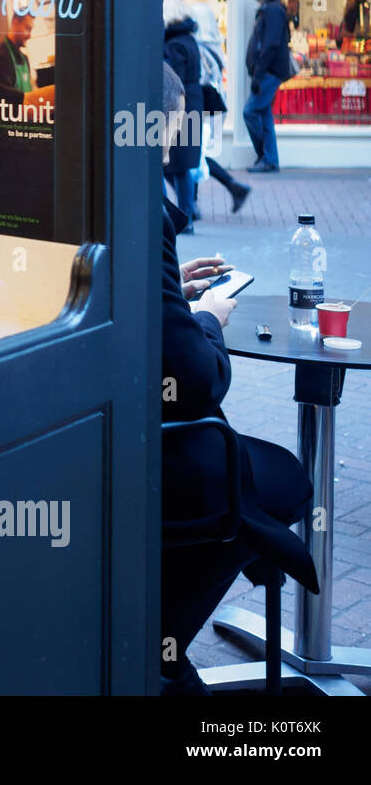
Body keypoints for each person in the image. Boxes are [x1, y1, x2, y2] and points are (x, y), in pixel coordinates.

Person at [156, 63, 316, 695]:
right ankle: (163, 642)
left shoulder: (90, 192)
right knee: (284, 485)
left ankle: (165, 633)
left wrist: (175, 291)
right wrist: (208, 320)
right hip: (174, 454)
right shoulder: (144, 208)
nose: (174, 143)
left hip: (132, 440)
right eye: (172, 128)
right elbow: (194, 378)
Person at [191, 3, 250, 215]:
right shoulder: (214, 46)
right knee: (195, 152)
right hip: (214, 105)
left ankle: (229, 188)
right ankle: (194, 201)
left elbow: (197, 79)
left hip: (202, 105)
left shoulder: (199, 49)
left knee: (192, 153)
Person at [162, 0, 205, 226]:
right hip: (192, 101)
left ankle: (184, 214)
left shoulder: (174, 43)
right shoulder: (189, 39)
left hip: (181, 103)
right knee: (182, 164)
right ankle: (189, 210)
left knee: (176, 164)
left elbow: (170, 77)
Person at [243, 0, 290, 173]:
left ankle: (265, 155)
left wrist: (259, 74)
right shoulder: (270, 10)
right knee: (263, 114)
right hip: (267, 72)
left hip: (269, 73)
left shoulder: (273, 11)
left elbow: (270, 45)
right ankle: (270, 160)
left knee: (250, 111)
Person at [0, 12, 35, 93]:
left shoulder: (24, 57)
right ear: (15, 23)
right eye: (27, 28)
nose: (29, 35)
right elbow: (5, 98)